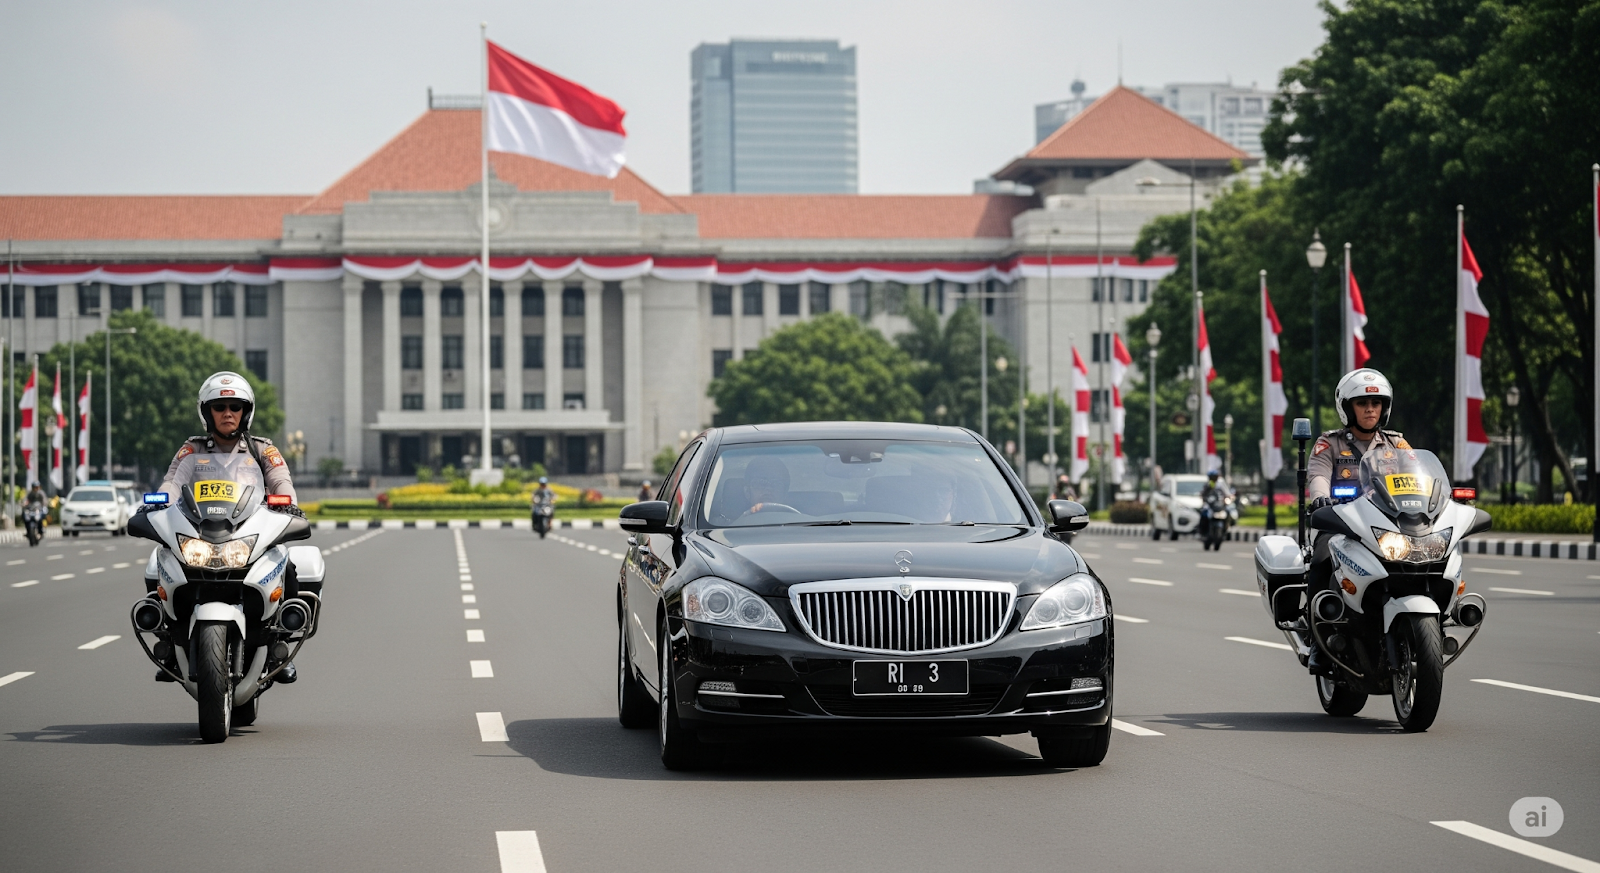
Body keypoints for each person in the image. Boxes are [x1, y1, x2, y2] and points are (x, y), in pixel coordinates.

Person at [153, 371, 299, 682]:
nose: (228, 413)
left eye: (235, 406)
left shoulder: (262, 449)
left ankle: (280, 643)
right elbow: (173, 482)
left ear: (246, 411)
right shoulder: (191, 450)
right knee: (158, 563)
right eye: (220, 407)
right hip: (201, 533)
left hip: (248, 535)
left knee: (286, 565)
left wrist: (288, 503)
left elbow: (280, 480)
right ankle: (168, 638)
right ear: (207, 412)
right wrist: (158, 503)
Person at [1302, 367, 1410, 672]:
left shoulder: (1396, 445)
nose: (1370, 409)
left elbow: (1418, 474)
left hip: (1388, 527)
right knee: (1322, 561)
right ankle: (1317, 639)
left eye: (1376, 404)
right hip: (1342, 526)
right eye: (1362, 403)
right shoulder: (1330, 444)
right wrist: (1320, 497)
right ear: (1348, 407)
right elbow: (1318, 475)